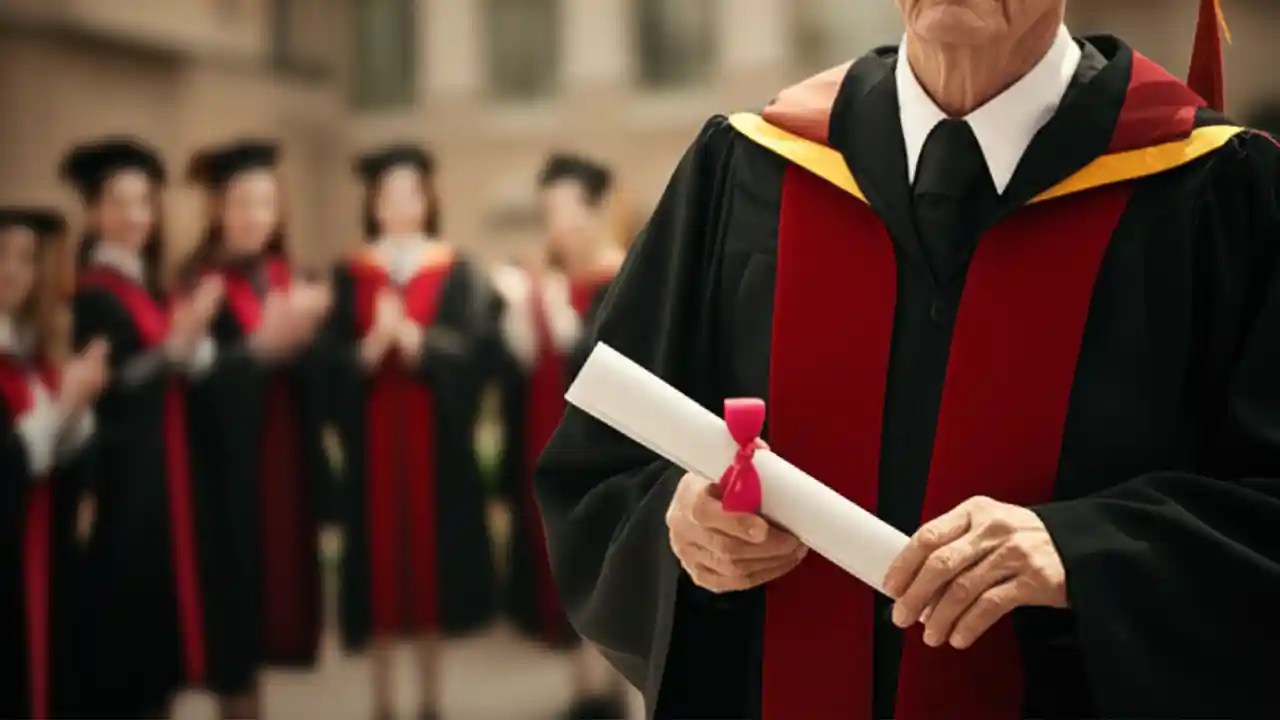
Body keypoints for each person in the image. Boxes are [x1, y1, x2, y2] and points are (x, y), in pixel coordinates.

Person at [535, 0, 1280, 717]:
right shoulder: (749, 168)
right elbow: (601, 472)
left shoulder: (1208, 189)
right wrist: (682, 526)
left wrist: (1091, 553)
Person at [323, 144, 496, 720]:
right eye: (389, 192)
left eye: (412, 192)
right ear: (373, 202)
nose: (401, 202)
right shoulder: (351, 274)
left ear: (428, 201)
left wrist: (421, 345)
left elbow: (475, 351)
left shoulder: (454, 269)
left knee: (430, 570)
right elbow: (328, 365)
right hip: (372, 446)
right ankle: (382, 702)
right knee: (376, 569)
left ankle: (428, 701)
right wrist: (372, 349)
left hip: (433, 446)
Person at [61, 139, 221, 717]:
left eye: (145, 203)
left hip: (162, 483)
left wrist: (191, 344)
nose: (135, 217)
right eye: (120, 203)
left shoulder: (147, 287)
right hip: (121, 491)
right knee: (127, 650)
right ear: (93, 212)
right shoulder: (89, 296)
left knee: (158, 651)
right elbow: (109, 389)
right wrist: (176, 348)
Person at [184, 140, 331, 719]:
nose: (254, 216)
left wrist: (311, 338)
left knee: (272, 612)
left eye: (265, 203)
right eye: (242, 202)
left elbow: (312, 385)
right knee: (234, 623)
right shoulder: (200, 284)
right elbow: (195, 387)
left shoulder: (283, 276)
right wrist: (258, 350)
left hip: (281, 470)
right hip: (225, 477)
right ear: (218, 209)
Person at [493, 153, 626, 720]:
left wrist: (563, 324)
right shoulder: (543, 286)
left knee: (606, 561)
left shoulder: (626, 275)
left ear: (596, 215)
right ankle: (581, 691)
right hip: (549, 442)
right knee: (561, 561)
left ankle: (611, 687)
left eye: (569, 212)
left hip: (610, 451)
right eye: (550, 214)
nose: (558, 227)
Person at [0, 208, 101, 720]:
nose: (12, 271)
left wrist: (75, 411)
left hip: (38, 556)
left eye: (25, 258)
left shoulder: (30, 358)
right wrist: (61, 409)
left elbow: (46, 466)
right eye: (1, 256)